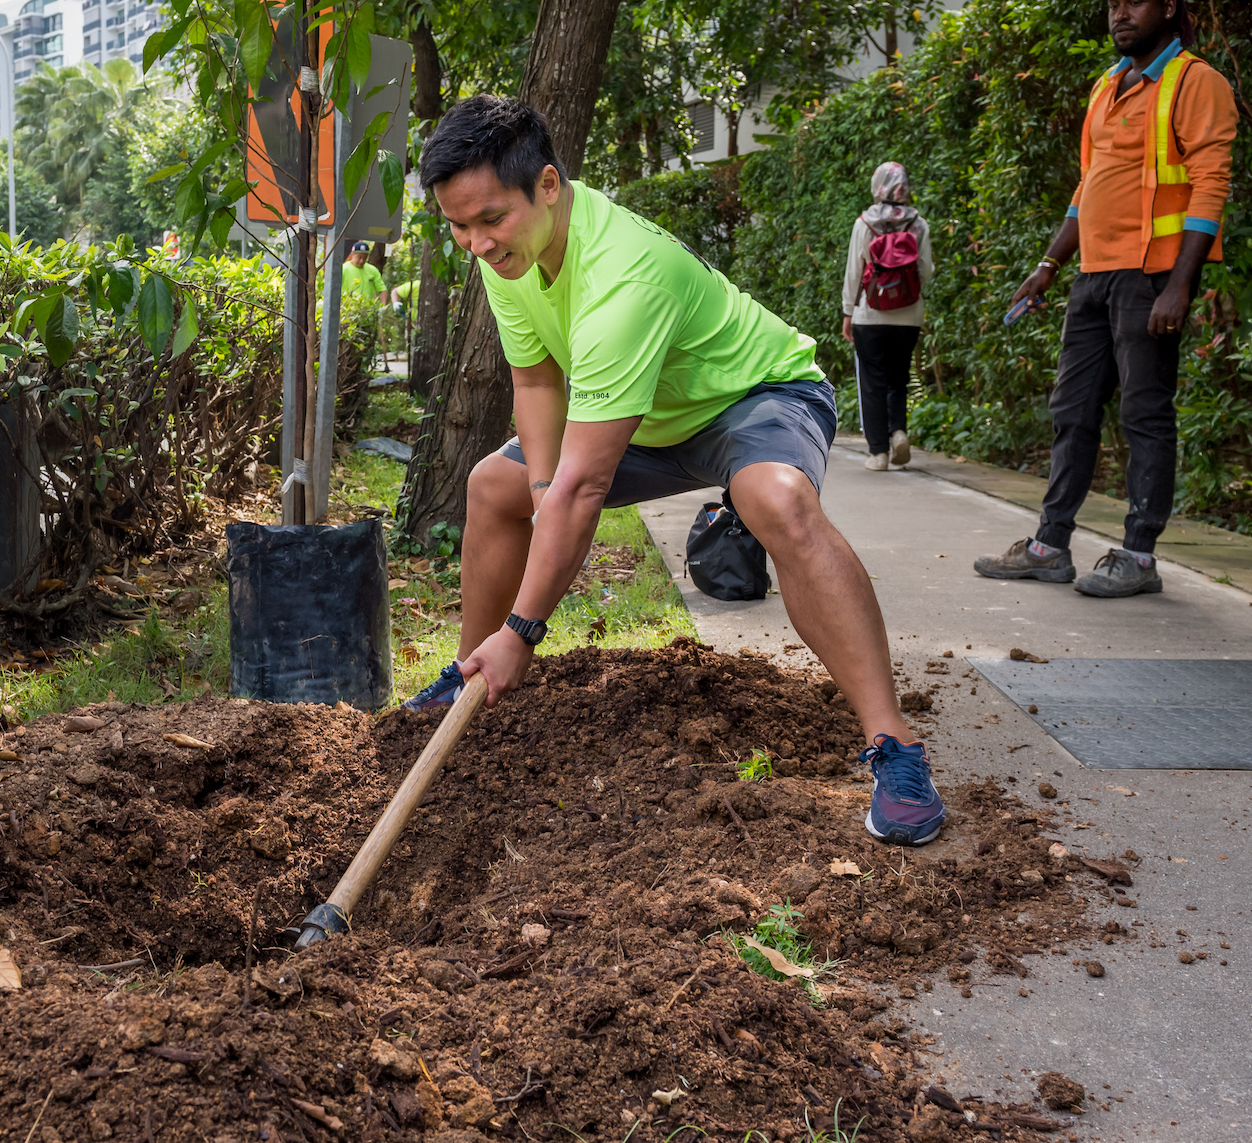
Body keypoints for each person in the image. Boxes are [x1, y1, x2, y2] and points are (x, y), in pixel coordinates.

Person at [401, 95, 945, 848]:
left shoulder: (624, 275)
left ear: (549, 186)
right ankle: (472, 678)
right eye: (458, 226)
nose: (477, 243)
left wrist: (524, 629)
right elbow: (535, 384)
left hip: (752, 396)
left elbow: (586, 488)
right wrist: (539, 492)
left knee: (776, 499)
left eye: (489, 219)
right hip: (647, 416)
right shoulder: (509, 254)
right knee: (494, 486)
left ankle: (895, 746)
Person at [977, 0, 1235, 597]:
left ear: (1168, 8)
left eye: (1134, 3)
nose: (1120, 14)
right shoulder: (1106, 86)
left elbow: (1210, 183)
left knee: (1146, 413)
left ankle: (1139, 556)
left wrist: (1179, 284)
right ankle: (1048, 545)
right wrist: (1047, 265)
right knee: (1071, 410)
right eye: (1114, 4)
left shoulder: (1195, 83)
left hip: (1151, 276)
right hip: (1092, 274)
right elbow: (1087, 188)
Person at [841, 162, 934, 471]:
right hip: (908, 316)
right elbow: (926, 271)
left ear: (877, 185)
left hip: (870, 314)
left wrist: (847, 313)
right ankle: (898, 432)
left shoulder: (865, 223)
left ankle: (878, 453)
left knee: (872, 382)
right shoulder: (918, 223)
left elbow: (854, 272)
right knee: (899, 378)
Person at [342, 241, 387, 305]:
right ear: (353, 254)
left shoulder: (372, 270)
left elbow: (382, 289)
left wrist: (382, 307)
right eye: (359, 257)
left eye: (365, 257)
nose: (362, 261)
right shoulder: (343, 269)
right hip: (349, 309)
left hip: (368, 311)